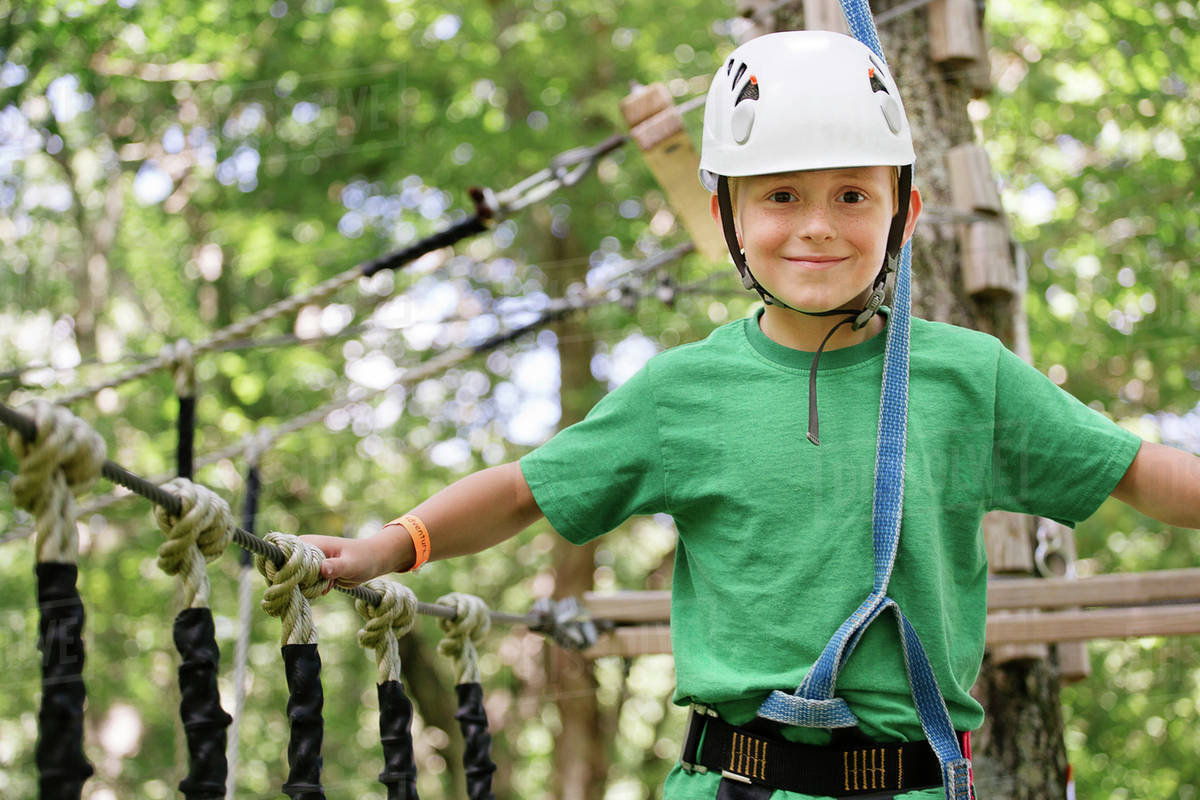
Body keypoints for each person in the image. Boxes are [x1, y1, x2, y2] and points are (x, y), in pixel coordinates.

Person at [303, 31, 1200, 800]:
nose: (818, 226)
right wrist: (397, 544)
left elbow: (1138, 472)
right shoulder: (682, 393)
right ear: (728, 214)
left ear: (904, 214)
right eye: (780, 195)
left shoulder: (967, 378)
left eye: (853, 195)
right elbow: (527, 490)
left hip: (911, 780)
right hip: (733, 780)